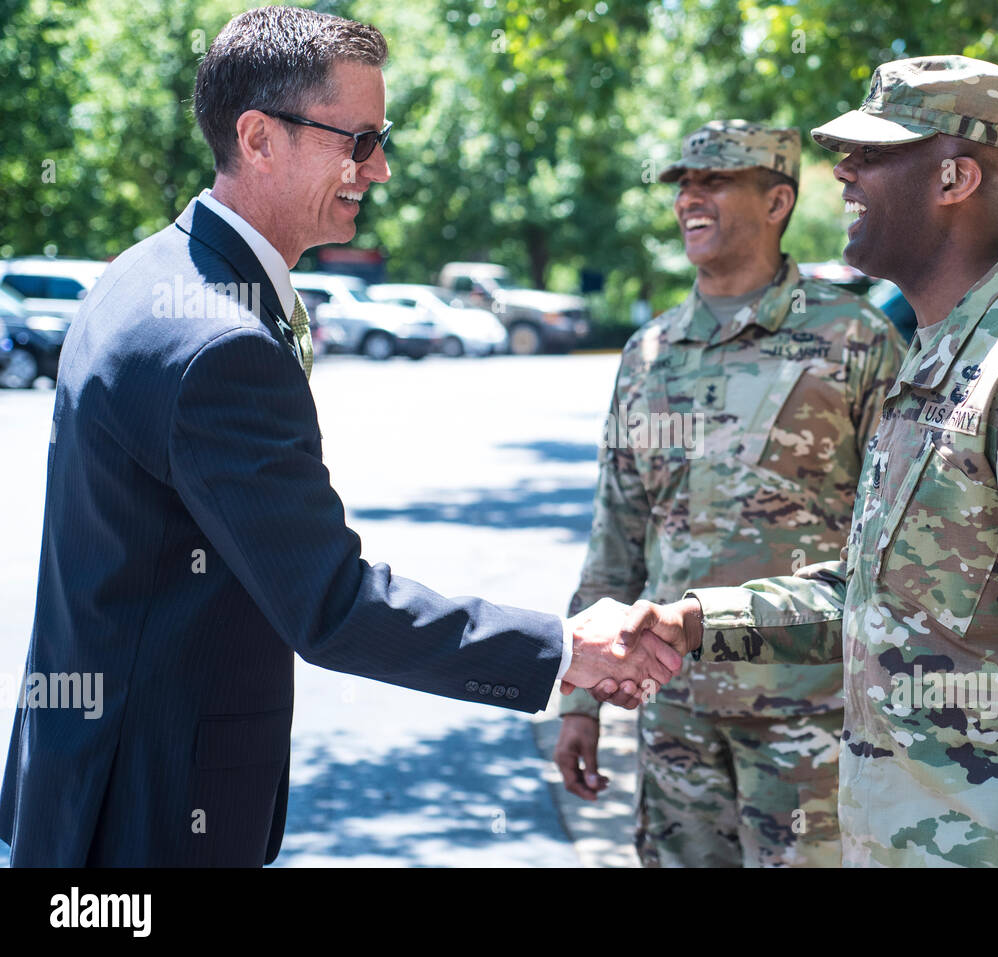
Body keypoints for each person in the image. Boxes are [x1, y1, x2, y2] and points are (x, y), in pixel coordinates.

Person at [0, 5, 677, 867]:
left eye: (379, 140)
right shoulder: (218, 341)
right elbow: (328, 604)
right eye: (357, 141)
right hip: (150, 813)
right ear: (258, 138)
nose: (379, 168)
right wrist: (565, 649)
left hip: (83, 784)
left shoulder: (143, 273)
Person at [623, 56, 998, 867]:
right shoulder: (936, 361)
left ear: (955, 177)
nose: (843, 171)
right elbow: (879, 602)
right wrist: (692, 621)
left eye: (874, 153)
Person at [553, 120, 904, 867]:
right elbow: (618, 532)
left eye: (714, 181)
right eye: (682, 184)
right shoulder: (649, 353)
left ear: (777, 201)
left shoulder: (856, 339)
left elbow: (899, 545)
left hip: (812, 715)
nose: (689, 197)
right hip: (675, 712)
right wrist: (579, 702)